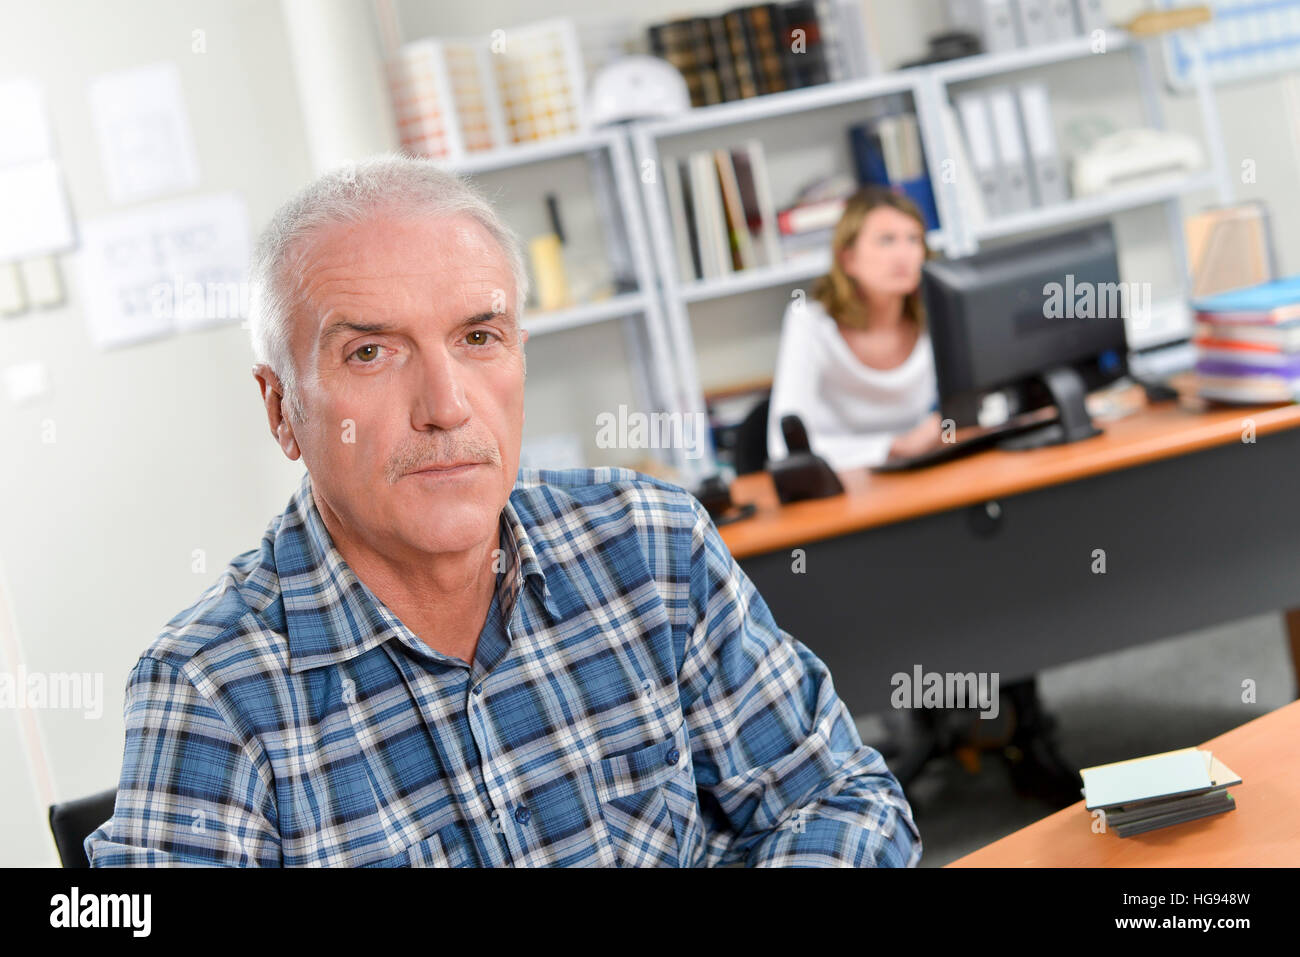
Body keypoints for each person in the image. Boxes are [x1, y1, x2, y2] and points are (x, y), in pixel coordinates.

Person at [85, 154, 921, 868]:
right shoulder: (209, 689)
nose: (446, 406)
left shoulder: (649, 545)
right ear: (281, 411)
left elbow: (841, 797)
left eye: (478, 337)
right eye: (370, 352)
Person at [767, 187, 943, 471]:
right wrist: (892, 447)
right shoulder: (810, 322)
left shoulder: (936, 315)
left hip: (922, 474)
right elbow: (782, 448)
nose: (904, 255)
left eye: (914, 240)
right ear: (848, 259)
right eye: (886, 241)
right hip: (843, 485)